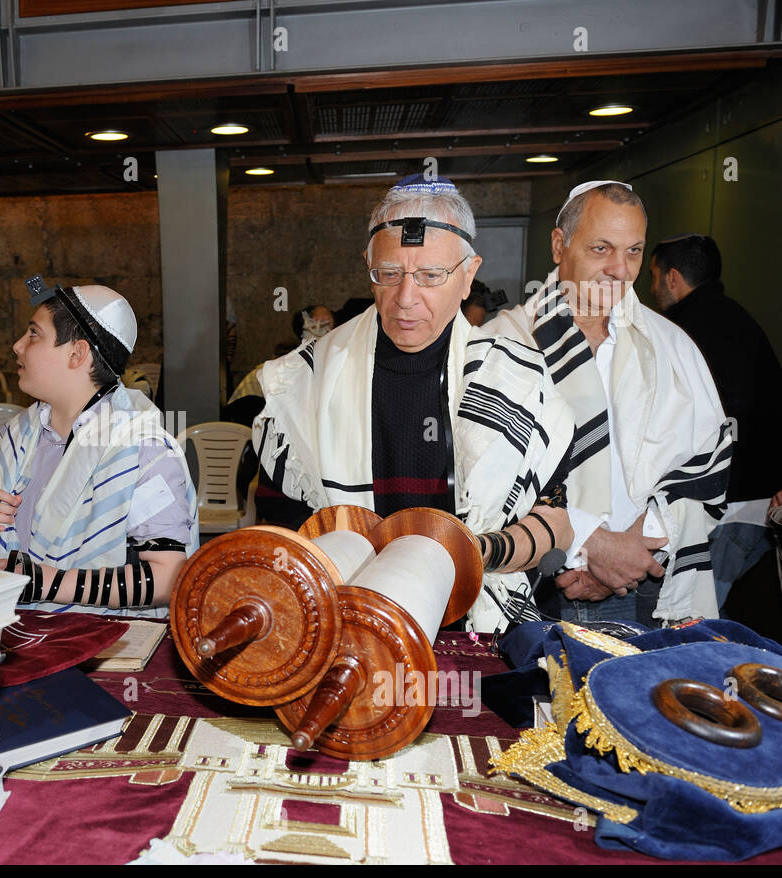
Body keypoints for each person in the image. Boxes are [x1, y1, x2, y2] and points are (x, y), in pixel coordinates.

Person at [254, 176, 576, 633]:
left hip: (475, 623)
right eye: (388, 274)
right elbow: (278, 516)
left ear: (468, 275)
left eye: (430, 276)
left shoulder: (517, 381)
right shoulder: (303, 381)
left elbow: (556, 522)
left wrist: (469, 552)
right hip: (340, 619)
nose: (406, 299)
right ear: (368, 266)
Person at [486, 182, 731, 627]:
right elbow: (487, 475)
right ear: (560, 245)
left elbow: (708, 461)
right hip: (535, 582)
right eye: (602, 248)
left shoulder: (670, 347)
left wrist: (637, 547)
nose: (620, 269)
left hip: (650, 580)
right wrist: (588, 543)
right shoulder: (504, 346)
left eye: (634, 251)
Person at [0, 277, 197, 617]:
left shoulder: (142, 448)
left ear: (77, 353)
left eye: (33, 334)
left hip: (103, 650)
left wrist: (47, 584)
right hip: (15, 631)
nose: (17, 346)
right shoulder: (18, 438)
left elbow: (168, 576)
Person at [650, 233, 781, 608]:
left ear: (673, 278)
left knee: (695, 617)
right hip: (757, 502)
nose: (654, 287)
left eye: (655, 275)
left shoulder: (678, 332)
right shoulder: (741, 320)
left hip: (724, 505)